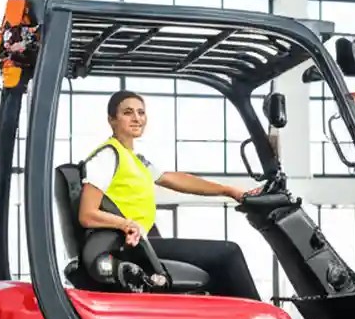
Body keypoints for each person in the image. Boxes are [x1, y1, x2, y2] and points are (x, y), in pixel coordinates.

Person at [77, 90, 261, 300]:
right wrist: (125, 224)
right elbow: (87, 214)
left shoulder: (135, 159)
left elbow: (175, 180)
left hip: (140, 244)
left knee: (218, 266)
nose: (137, 118)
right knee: (228, 254)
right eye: (128, 112)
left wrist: (230, 191)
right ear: (112, 119)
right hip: (129, 248)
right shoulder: (108, 156)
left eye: (141, 112)